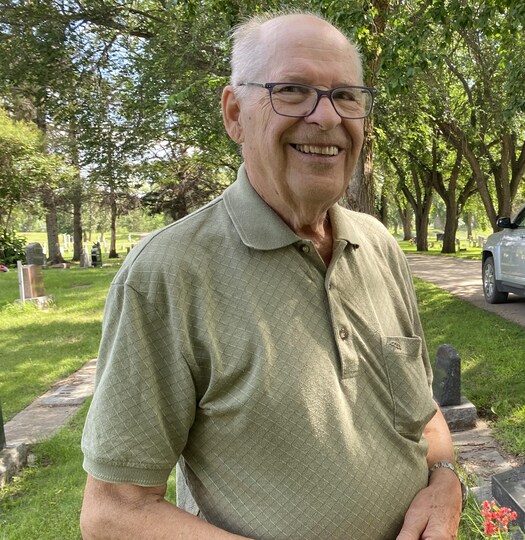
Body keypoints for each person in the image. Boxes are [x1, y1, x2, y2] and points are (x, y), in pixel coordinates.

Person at [80, 12, 463, 539]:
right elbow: (113, 513)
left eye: (346, 96)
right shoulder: (167, 273)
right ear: (235, 113)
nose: (326, 117)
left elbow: (423, 416)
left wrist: (444, 480)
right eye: (292, 90)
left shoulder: (379, 247)